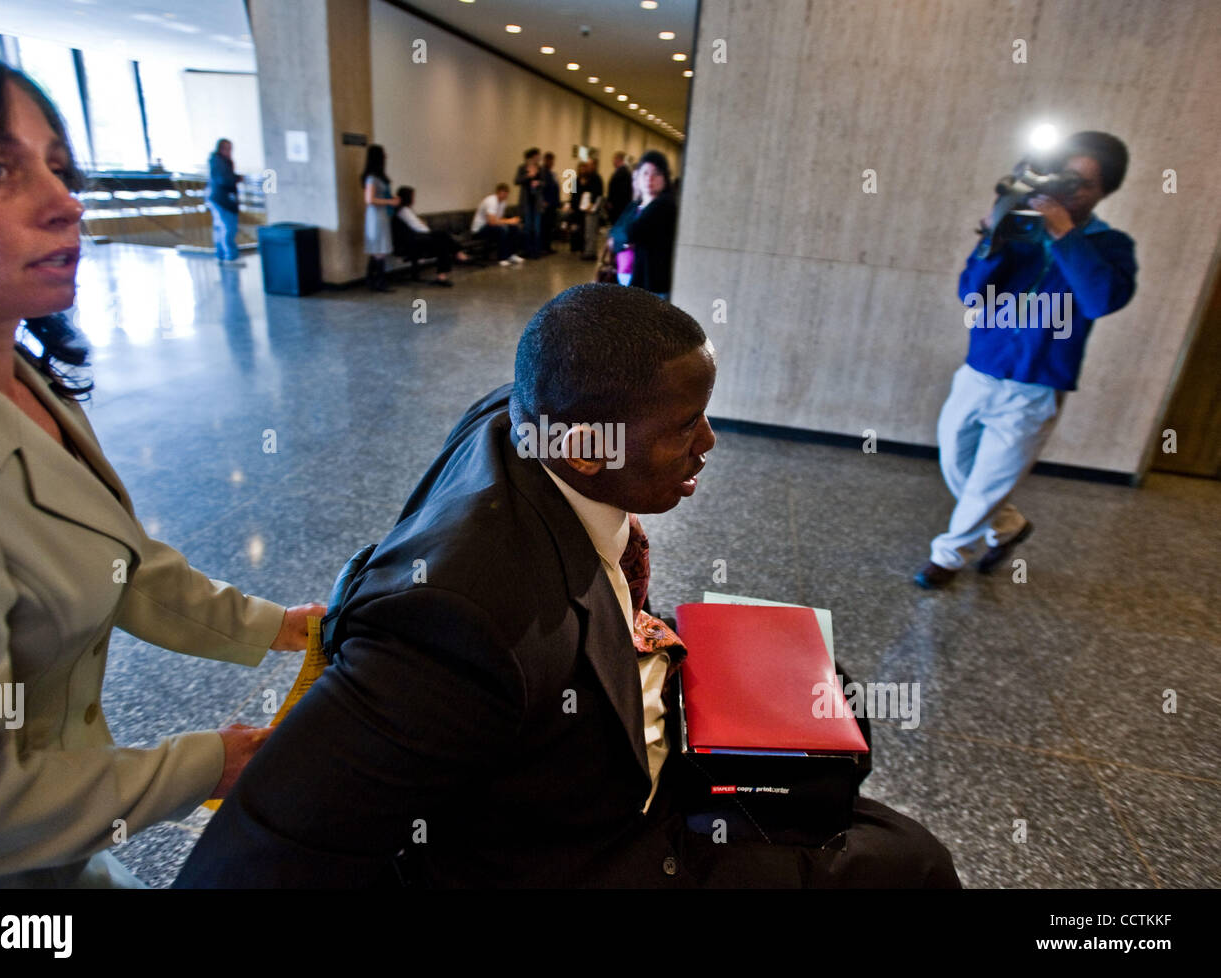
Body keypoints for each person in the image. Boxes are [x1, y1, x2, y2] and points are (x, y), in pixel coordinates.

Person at [176, 283, 960, 888]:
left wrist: (633, 629)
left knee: (839, 715)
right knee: (910, 861)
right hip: (582, 854)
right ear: (584, 447)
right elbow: (275, 840)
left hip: (603, 732)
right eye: (684, 426)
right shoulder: (459, 626)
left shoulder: (515, 417)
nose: (709, 444)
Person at [0, 34, 324, 887]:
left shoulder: (25, 376)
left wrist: (274, 626)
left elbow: (117, 560)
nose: (63, 201)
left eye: (58, 166)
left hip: (64, 848)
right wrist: (204, 765)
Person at [915, 132, 1137, 589]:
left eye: (1081, 183)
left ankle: (948, 556)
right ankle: (1009, 526)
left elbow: (1098, 300)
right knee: (957, 464)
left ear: (1103, 192)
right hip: (979, 370)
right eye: (1063, 176)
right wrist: (993, 234)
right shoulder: (1020, 230)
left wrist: (1064, 233)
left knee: (988, 481)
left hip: (1036, 385)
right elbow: (970, 293)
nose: (1067, 189)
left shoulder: (1111, 246)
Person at [608, 151, 679, 299]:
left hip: (651, 283)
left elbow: (631, 232)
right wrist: (623, 242)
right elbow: (613, 233)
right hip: (629, 277)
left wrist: (621, 239)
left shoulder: (664, 204)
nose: (650, 178)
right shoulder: (636, 204)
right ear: (638, 177)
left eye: (656, 173)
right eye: (645, 173)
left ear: (665, 178)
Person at [393, 186, 469, 287]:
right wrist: (430, 232)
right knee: (442, 235)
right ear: (407, 197)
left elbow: (419, 224)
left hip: (416, 238)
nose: (414, 199)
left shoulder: (406, 210)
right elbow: (419, 227)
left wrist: (427, 230)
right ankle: (457, 253)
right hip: (412, 241)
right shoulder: (404, 211)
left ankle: (443, 274)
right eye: (412, 196)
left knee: (442, 242)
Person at [362, 144, 399, 292]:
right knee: (379, 248)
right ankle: (379, 281)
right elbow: (369, 199)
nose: (386, 156)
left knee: (379, 248)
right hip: (376, 216)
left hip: (381, 214)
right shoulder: (372, 178)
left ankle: (371, 279)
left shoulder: (378, 177)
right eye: (383, 154)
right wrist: (390, 201)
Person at [207, 138, 243, 266]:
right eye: (227, 149)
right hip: (222, 200)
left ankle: (221, 255)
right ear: (221, 149)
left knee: (220, 228)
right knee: (228, 228)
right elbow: (224, 180)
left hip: (217, 198)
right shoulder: (220, 162)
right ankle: (230, 256)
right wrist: (237, 178)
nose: (230, 152)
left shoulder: (218, 161)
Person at [470, 183, 523, 266]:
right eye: (503, 193)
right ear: (498, 192)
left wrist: (511, 222)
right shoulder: (491, 201)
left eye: (506, 193)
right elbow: (491, 221)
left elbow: (499, 220)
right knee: (502, 230)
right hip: (479, 229)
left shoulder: (503, 203)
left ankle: (512, 254)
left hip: (490, 227)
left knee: (514, 228)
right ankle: (502, 257)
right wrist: (509, 221)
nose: (505, 195)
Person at [513, 147, 543, 259]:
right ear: (531, 157)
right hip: (526, 202)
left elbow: (544, 183)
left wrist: (538, 183)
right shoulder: (522, 168)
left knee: (536, 227)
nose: (538, 158)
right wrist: (528, 176)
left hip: (536, 202)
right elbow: (516, 181)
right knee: (527, 227)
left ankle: (536, 251)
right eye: (537, 156)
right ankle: (527, 250)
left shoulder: (540, 169)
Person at [576, 156, 605, 260]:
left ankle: (590, 252)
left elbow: (596, 193)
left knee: (591, 231)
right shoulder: (589, 178)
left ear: (594, 165)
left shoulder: (596, 178)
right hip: (587, 206)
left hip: (592, 207)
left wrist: (591, 204)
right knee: (588, 230)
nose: (587, 167)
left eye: (589, 165)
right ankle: (589, 250)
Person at [539, 150, 561, 254]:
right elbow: (542, 189)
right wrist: (543, 201)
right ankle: (543, 247)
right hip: (546, 204)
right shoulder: (542, 173)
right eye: (550, 161)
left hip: (553, 204)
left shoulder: (553, 174)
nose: (552, 163)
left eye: (553, 161)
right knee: (544, 226)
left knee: (550, 226)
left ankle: (547, 246)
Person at [605, 150, 633, 225]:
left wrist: (611, 202)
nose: (613, 161)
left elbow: (621, 192)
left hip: (618, 208)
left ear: (618, 159)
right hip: (618, 207)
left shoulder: (623, 172)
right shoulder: (620, 172)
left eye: (614, 159)